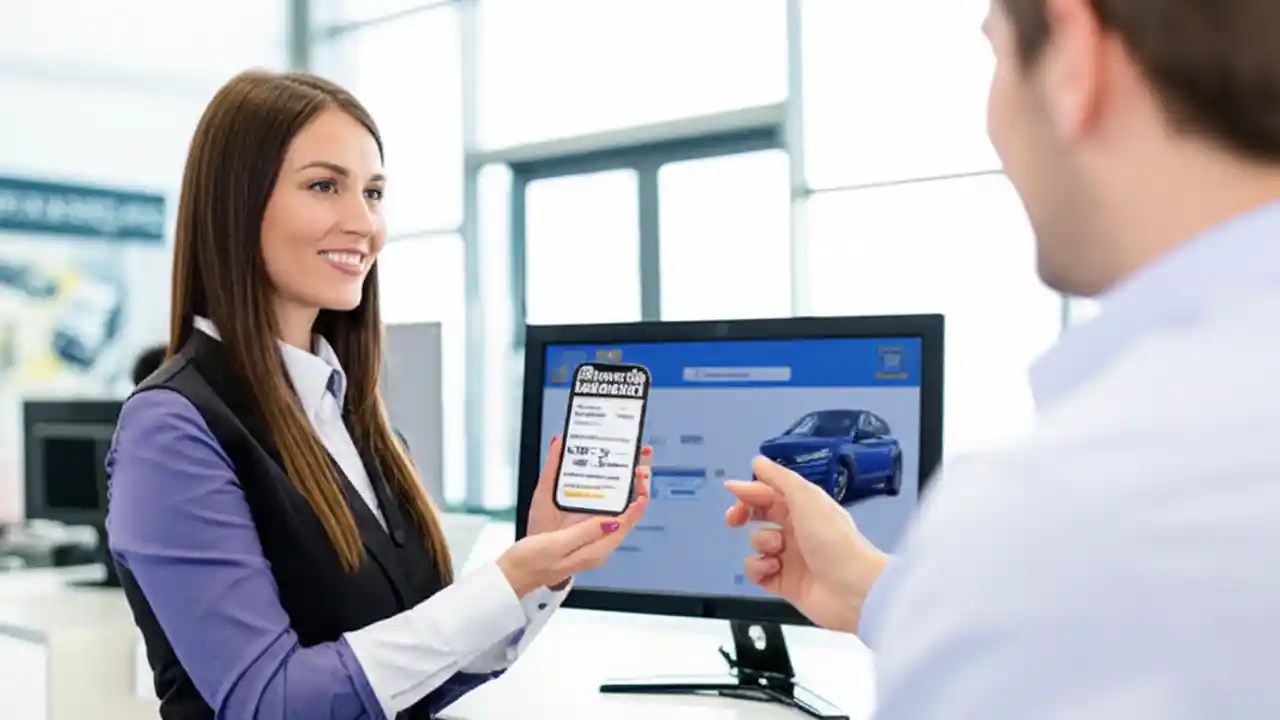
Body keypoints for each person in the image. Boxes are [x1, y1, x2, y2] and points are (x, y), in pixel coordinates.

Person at [725, 0, 1280, 717]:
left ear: (1074, 57)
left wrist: (969, 581)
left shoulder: (1056, 521)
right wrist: (875, 587)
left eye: (997, 55)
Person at [105, 69, 651, 719]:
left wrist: (541, 569)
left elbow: (420, 673)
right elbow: (269, 702)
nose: (364, 223)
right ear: (236, 204)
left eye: (373, 193)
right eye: (324, 186)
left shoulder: (356, 419)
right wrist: (506, 581)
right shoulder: (169, 429)